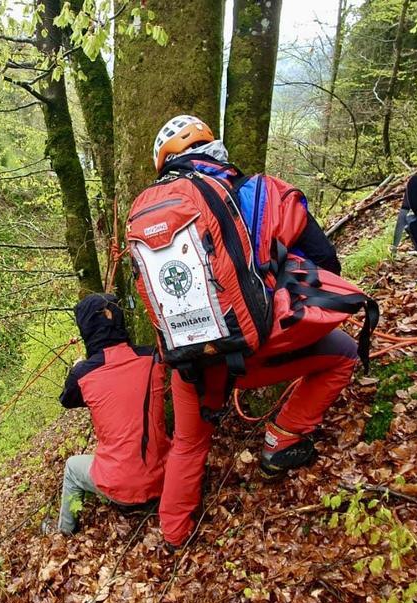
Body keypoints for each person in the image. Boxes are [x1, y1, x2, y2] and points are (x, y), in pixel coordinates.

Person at [149, 115, 359, 547]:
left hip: (190, 360)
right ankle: (281, 440)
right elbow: (326, 262)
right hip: (257, 348)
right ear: (214, 148)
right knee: (343, 353)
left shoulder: (153, 216)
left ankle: (173, 536)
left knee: (188, 443)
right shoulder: (262, 192)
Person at [45, 293, 171, 536]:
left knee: (72, 467)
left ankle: (65, 531)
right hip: (164, 474)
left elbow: (67, 400)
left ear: (86, 329)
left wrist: (76, 368)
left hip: (119, 484)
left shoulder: (82, 374)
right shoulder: (152, 357)